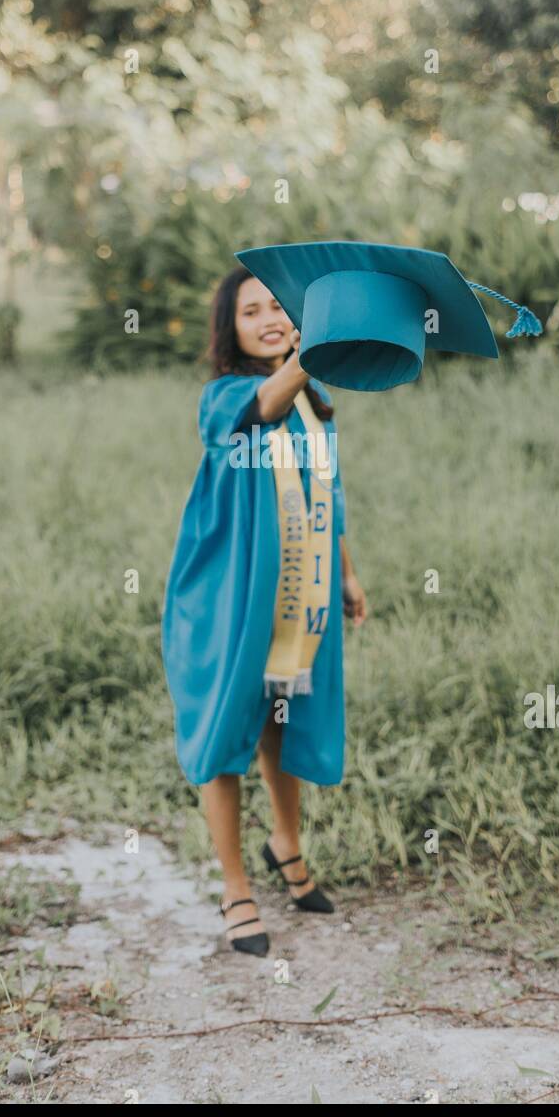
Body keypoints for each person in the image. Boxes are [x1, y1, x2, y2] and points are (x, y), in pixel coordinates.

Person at [162, 264, 367, 956]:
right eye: (252, 312)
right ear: (231, 330)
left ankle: (287, 842)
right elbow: (267, 405)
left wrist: (346, 573)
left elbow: (327, 490)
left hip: (298, 594)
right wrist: (315, 350)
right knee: (226, 732)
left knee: (282, 717)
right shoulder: (226, 397)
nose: (270, 319)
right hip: (228, 595)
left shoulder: (317, 398)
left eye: (279, 307)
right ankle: (235, 885)